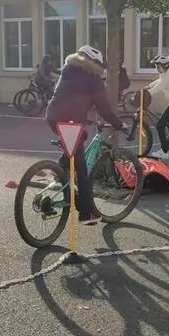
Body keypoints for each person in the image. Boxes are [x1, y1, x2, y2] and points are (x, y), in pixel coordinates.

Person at [45, 45, 124, 225]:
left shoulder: (68, 70)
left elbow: (70, 96)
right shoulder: (93, 79)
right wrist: (118, 123)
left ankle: (59, 171)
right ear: (94, 63)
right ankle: (86, 213)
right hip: (70, 122)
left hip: (53, 117)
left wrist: (82, 117)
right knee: (82, 170)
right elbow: (103, 106)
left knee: (77, 142)